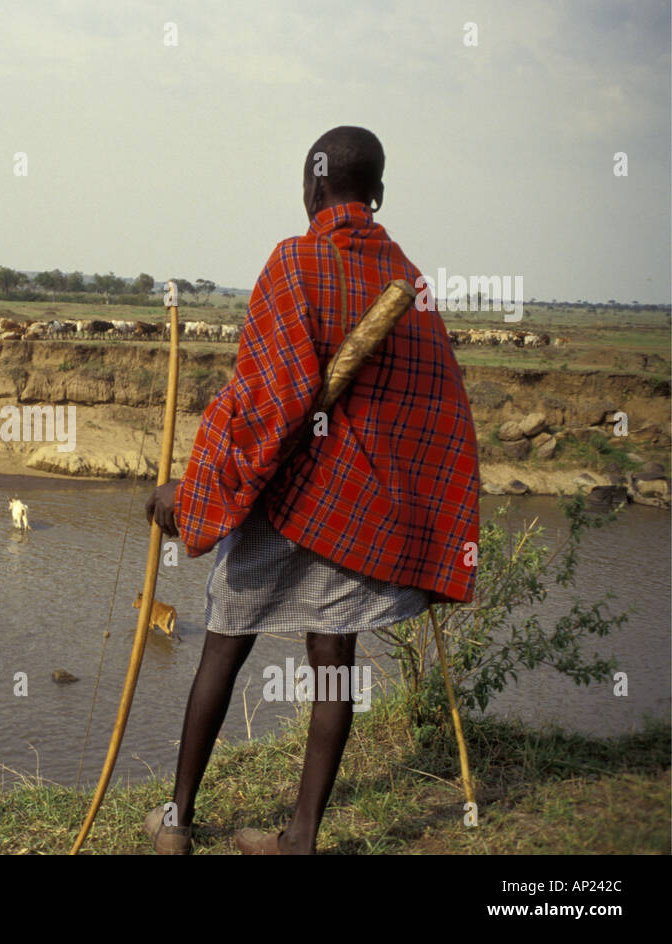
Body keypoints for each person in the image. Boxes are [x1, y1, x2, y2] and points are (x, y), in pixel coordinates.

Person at [142, 126, 480, 855]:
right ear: (377, 194)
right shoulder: (411, 280)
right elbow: (438, 413)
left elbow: (262, 406)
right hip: (360, 510)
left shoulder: (295, 261)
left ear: (313, 190)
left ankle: (177, 821)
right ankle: (300, 839)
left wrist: (192, 493)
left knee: (223, 649)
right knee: (334, 663)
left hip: (287, 503)